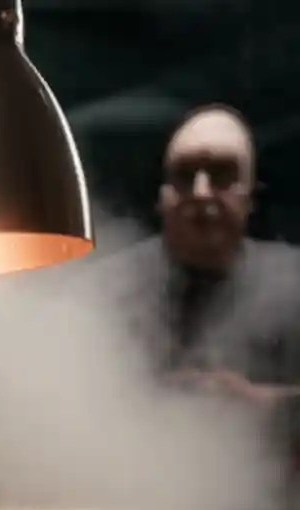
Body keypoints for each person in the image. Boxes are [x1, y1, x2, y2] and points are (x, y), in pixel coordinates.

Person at [88, 103, 300, 465]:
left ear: (250, 194)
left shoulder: (293, 283)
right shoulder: (104, 293)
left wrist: (266, 409)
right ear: (162, 196)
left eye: (221, 174)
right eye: (184, 176)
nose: (201, 192)